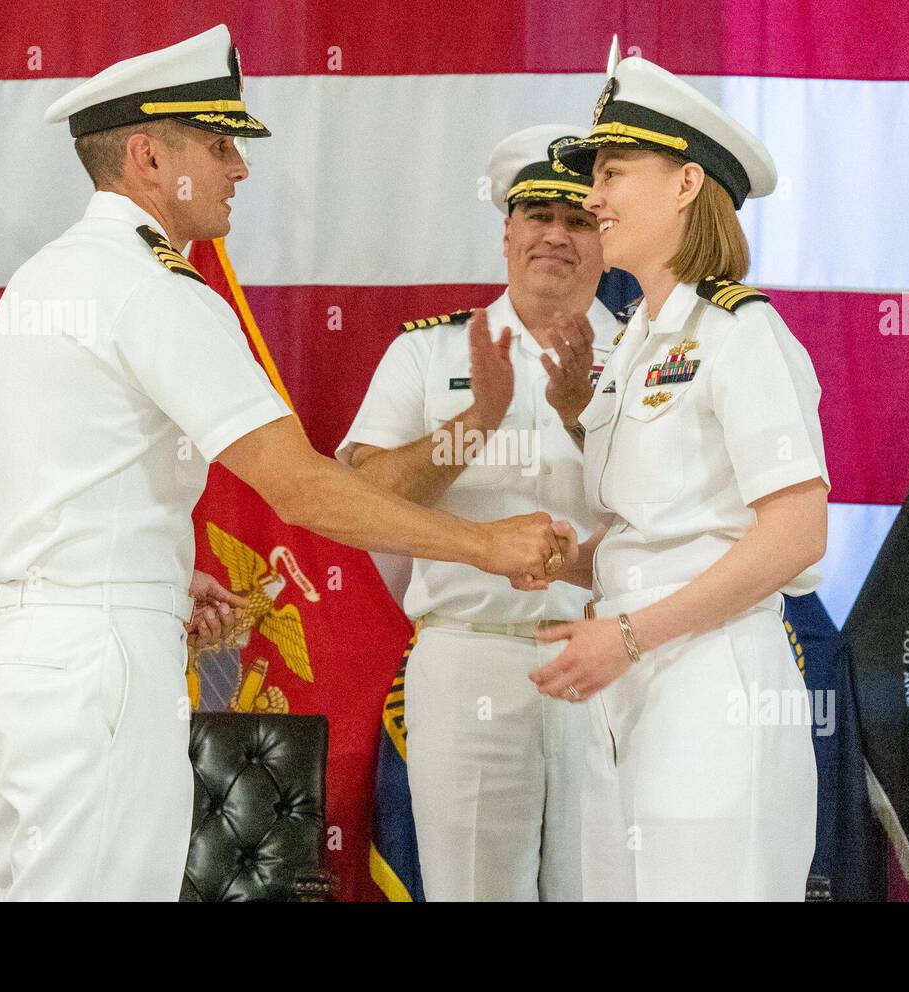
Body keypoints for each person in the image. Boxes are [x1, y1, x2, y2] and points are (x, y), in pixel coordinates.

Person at [0, 25, 572, 902]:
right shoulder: (153, 288)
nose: (238, 168)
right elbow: (300, 486)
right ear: (145, 157)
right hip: (100, 665)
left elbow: (58, 485)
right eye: (217, 145)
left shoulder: (40, 279)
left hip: (26, 655)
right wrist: (487, 547)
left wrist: (163, 582)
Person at [533, 54, 831, 901]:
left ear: (687, 183)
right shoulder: (636, 341)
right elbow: (666, 529)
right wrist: (576, 563)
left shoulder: (743, 333)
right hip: (628, 677)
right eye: (594, 173)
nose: (593, 196)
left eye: (614, 170)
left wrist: (628, 636)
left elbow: (796, 534)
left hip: (708, 684)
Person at [335, 125, 623, 900]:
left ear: (607, 238)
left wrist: (578, 414)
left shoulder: (646, 355)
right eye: (538, 214)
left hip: (611, 657)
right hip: (469, 655)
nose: (556, 235)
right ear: (506, 232)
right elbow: (365, 501)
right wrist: (478, 420)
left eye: (579, 219)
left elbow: (671, 510)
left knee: (607, 888)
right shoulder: (428, 353)